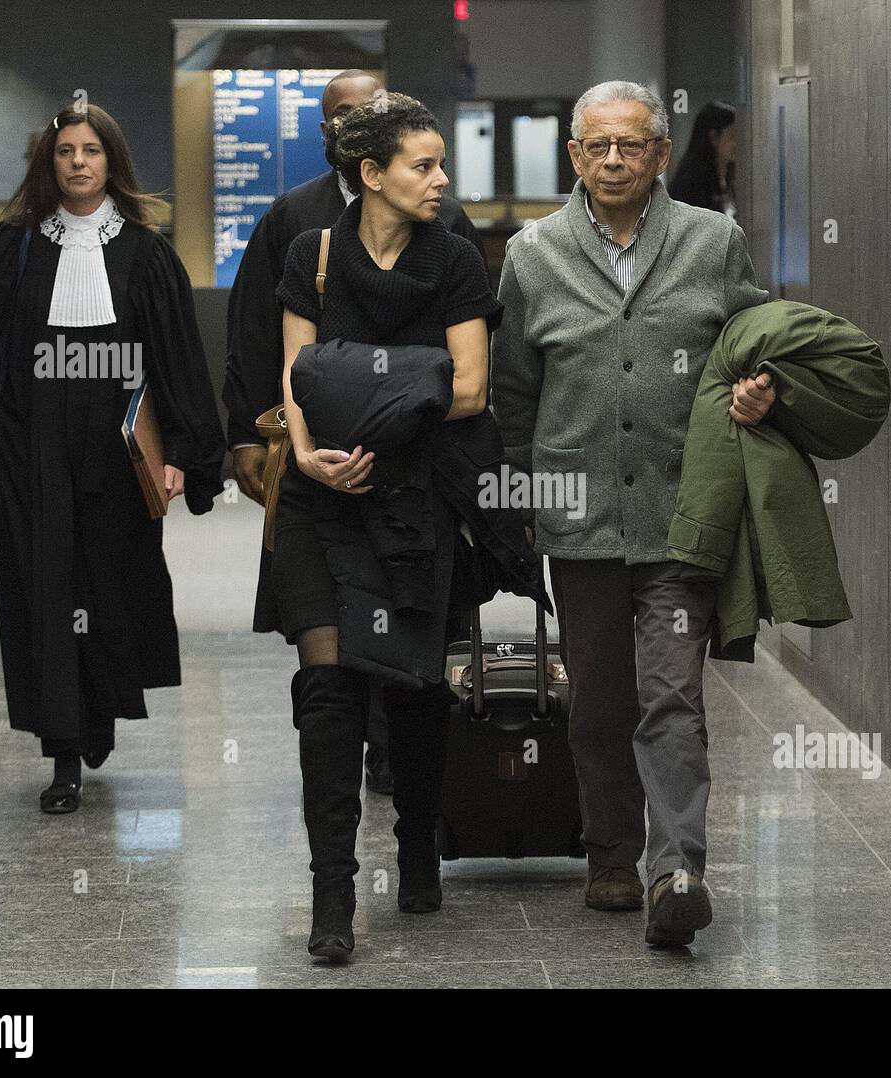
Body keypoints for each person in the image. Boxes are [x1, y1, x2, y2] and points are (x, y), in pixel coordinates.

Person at [491, 80, 773, 947]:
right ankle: (611, 853)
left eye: (632, 145)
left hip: (681, 514)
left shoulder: (710, 241)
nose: (614, 160)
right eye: (597, 146)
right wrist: (522, 506)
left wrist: (764, 391)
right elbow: (513, 396)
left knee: (673, 696)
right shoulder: (533, 254)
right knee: (600, 703)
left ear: (659, 153)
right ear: (574, 155)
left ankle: (676, 867)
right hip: (576, 521)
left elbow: (757, 343)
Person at [271, 91, 539, 963]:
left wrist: (368, 414)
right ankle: (333, 894)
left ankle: (418, 842)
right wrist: (308, 453)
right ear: (371, 174)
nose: (440, 179)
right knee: (328, 691)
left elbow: (469, 388)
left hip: (422, 499)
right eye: (423, 165)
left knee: (419, 687)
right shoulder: (312, 257)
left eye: (439, 163)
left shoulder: (457, 259)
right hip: (324, 502)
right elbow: (293, 377)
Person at [0, 105, 225, 813]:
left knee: (110, 586)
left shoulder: (146, 254)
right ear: (49, 163)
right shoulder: (14, 247)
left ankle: (95, 718)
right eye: (65, 151)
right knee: (45, 590)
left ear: (111, 160)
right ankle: (62, 751)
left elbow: (178, 360)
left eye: (92, 150)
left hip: (119, 453)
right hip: (31, 444)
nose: (79, 162)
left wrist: (183, 452)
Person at [225, 68, 487, 797]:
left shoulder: (449, 232)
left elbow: (468, 376)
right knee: (329, 662)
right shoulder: (298, 224)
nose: (436, 179)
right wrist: (263, 440)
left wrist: (375, 400)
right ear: (336, 141)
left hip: (418, 480)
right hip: (326, 477)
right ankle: (336, 866)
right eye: (341, 116)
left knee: (412, 663)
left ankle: (407, 814)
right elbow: (263, 341)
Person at [666, 100, 737, 217]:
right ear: (714, 137)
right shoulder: (691, 185)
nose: (738, 142)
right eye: (732, 135)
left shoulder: (730, 177)